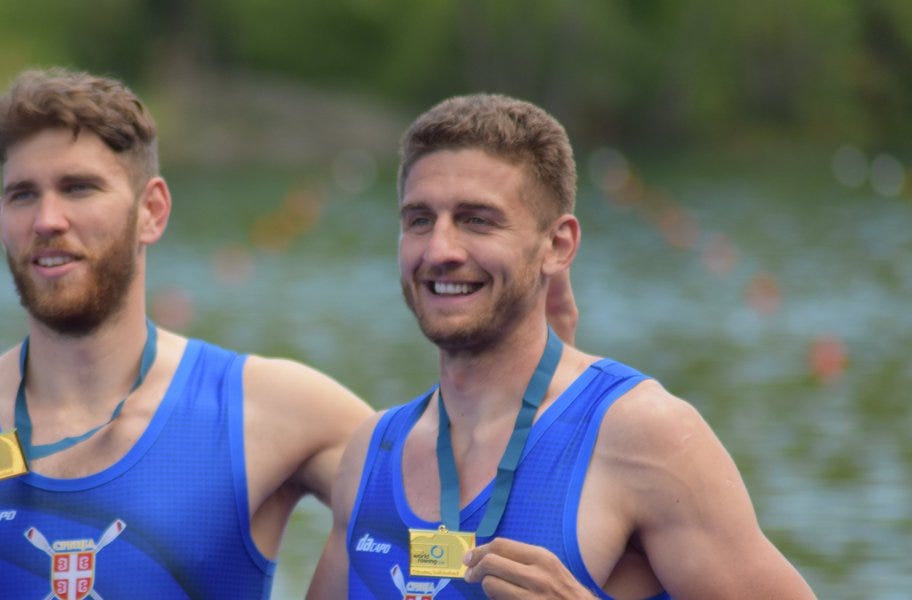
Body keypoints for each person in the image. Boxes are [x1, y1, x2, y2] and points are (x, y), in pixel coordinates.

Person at [0, 67, 378, 599]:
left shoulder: (274, 409)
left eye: (79, 188)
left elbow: (440, 511)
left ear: (151, 211)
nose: (48, 220)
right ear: (0, 220)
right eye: (24, 195)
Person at [306, 94, 816, 599]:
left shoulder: (643, 436)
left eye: (477, 220)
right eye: (419, 220)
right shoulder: (371, 453)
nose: (440, 250)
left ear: (558, 245)